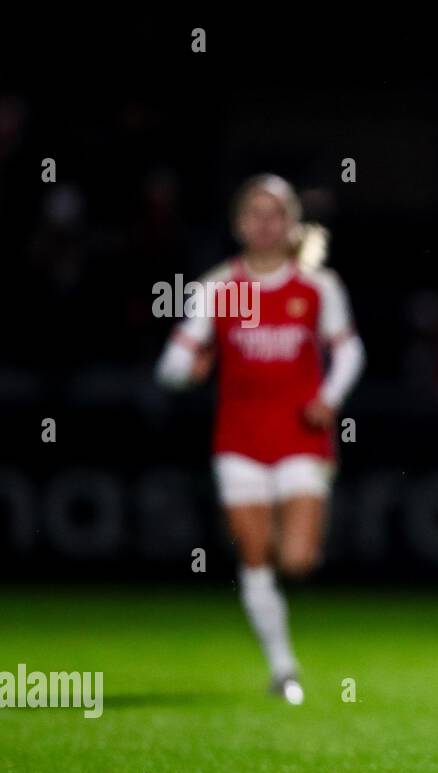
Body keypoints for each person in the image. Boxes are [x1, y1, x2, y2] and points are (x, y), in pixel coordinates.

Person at [155, 174, 365, 703]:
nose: (265, 223)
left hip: (301, 438)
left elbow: (349, 350)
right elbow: (171, 365)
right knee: (254, 555)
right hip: (239, 442)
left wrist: (330, 397)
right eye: (255, 213)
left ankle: (277, 612)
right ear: (238, 223)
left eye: (275, 214)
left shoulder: (318, 287)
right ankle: (282, 667)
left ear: (291, 224)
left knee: (296, 559)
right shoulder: (218, 289)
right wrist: (189, 369)